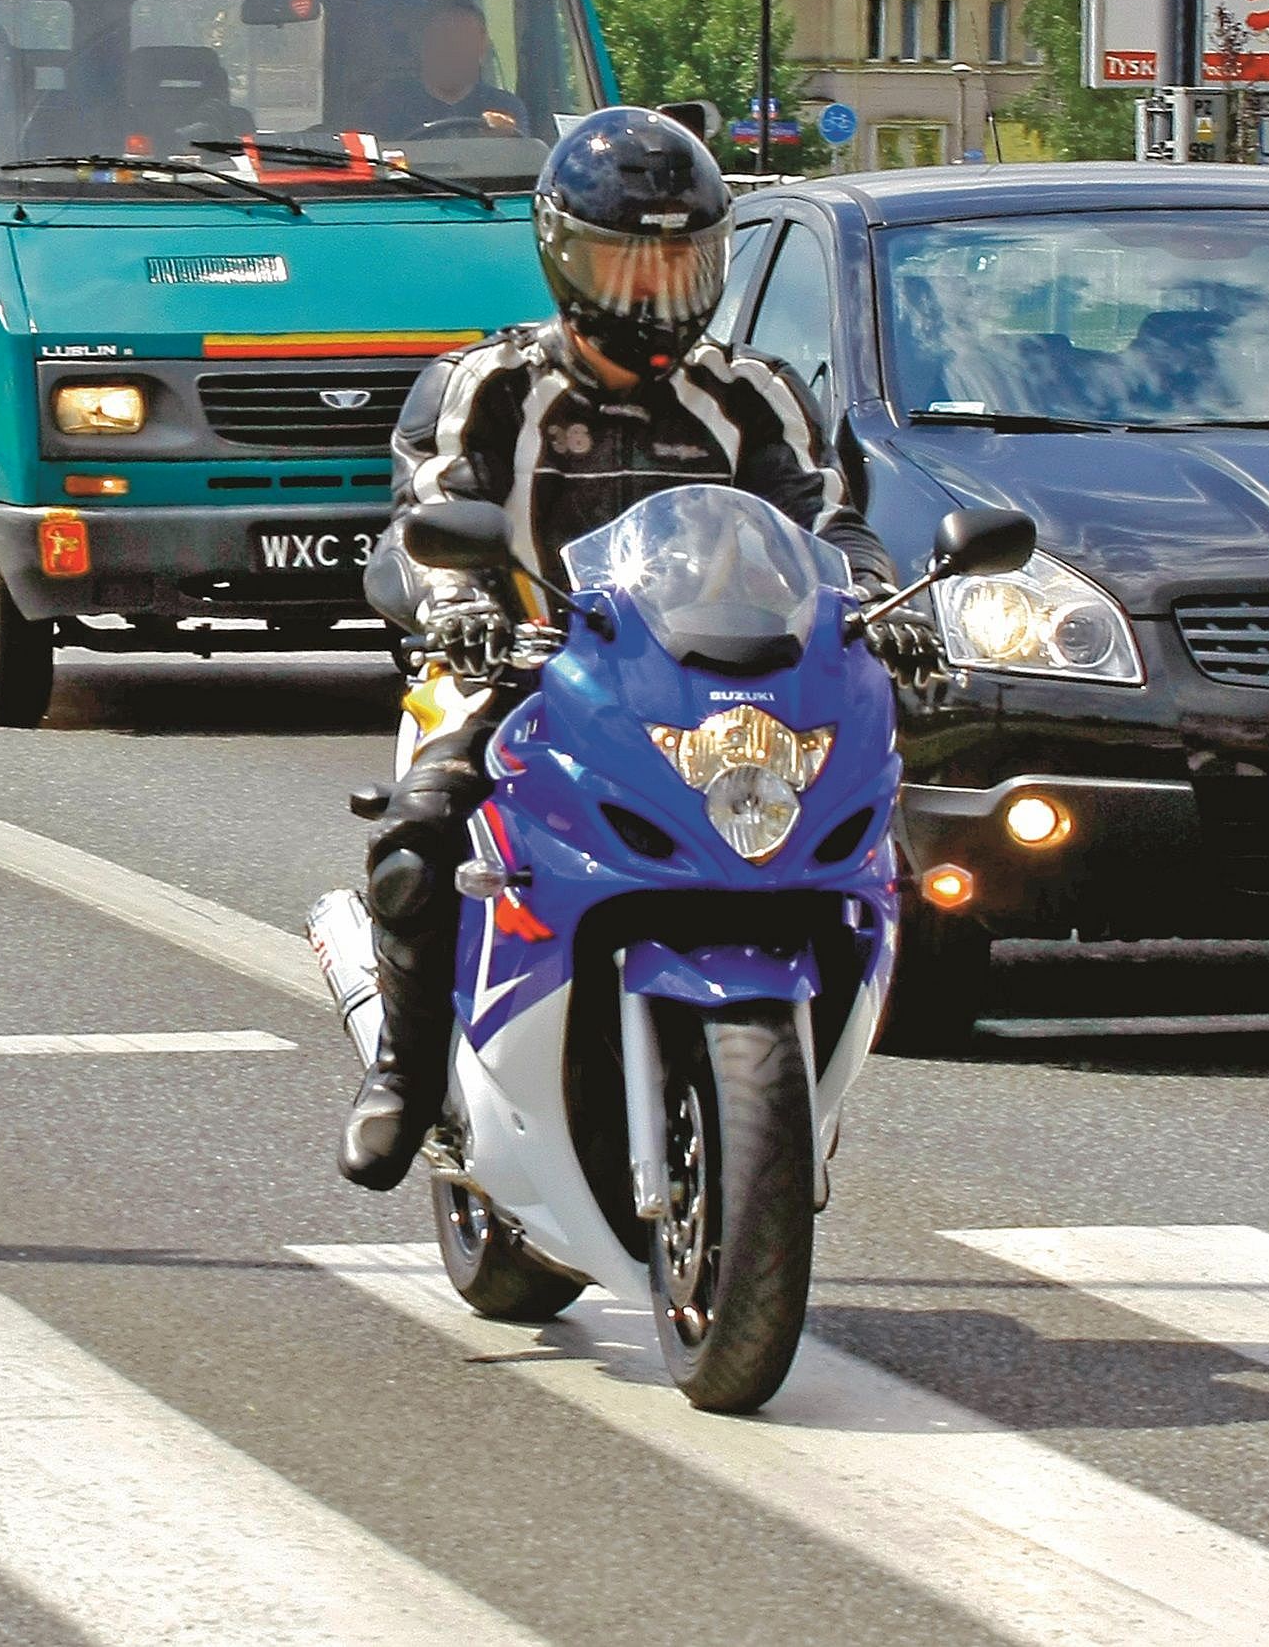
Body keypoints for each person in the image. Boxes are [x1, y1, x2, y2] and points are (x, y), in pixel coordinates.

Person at [338, 106, 945, 1190]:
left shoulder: (751, 394)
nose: (654, 297)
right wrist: (459, 605)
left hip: (704, 685)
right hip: (518, 672)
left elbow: (828, 521)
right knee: (421, 835)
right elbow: (423, 517)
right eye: (627, 265)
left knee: (869, 835)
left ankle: (802, 1077)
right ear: (562, 257)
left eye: (680, 265)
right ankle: (405, 1069)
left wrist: (887, 606)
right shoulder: (488, 386)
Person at [364, 0, 530, 141]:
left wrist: (506, 138)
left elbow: (527, 166)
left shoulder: (506, 106)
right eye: (442, 39)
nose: (451, 50)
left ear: (482, 47)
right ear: (420, 45)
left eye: (462, 40)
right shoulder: (387, 107)